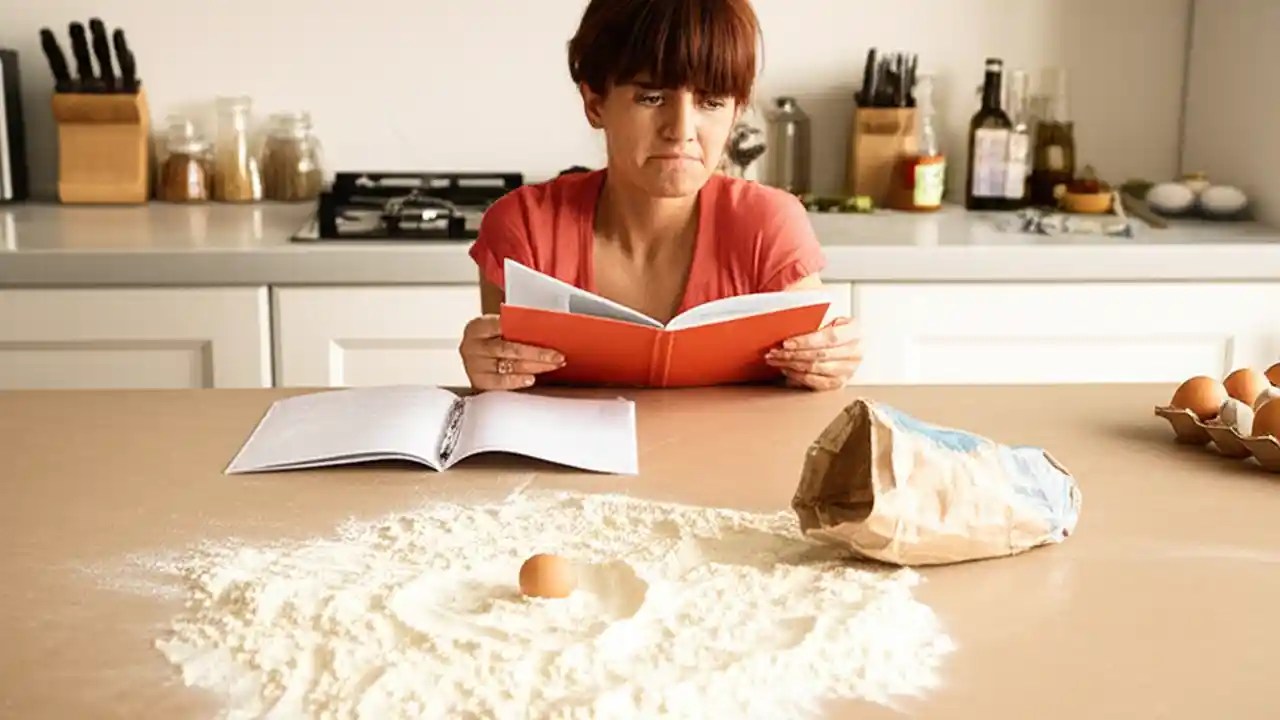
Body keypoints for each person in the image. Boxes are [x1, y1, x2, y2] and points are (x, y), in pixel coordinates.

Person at [459, 0, 861, 392]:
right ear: (595, 103)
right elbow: (507, 393)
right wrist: (490, 367)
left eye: (711, 101)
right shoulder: (524, 229)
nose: (681, 129)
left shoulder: (769, 224)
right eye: (651, 98)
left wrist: (824, 364)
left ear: (736, 111)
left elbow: (808, 381)